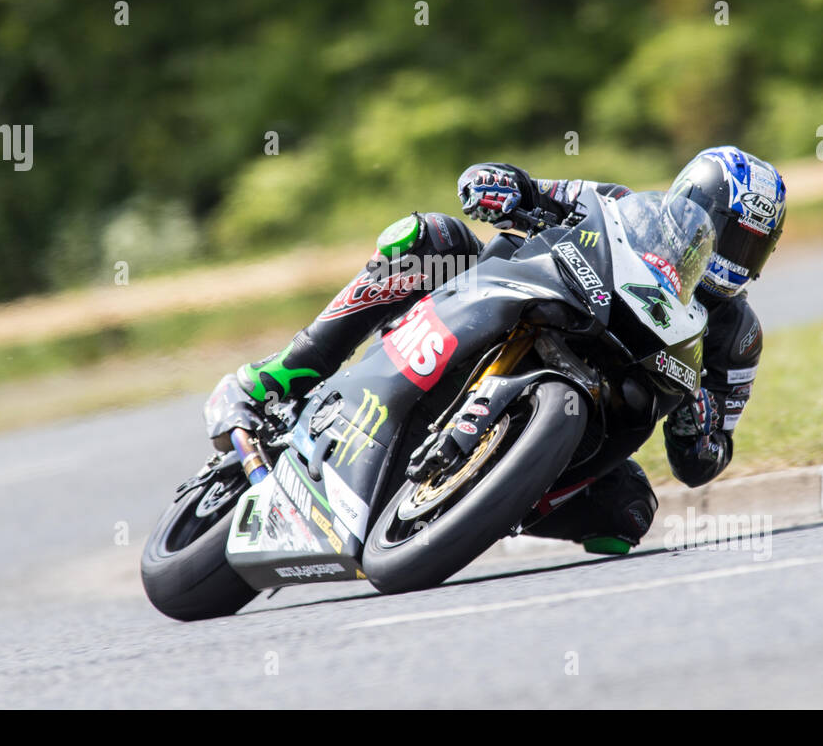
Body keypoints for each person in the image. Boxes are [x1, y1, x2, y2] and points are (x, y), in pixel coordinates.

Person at [204, 146, 786, 554]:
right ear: (691, 206)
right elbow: (539, 191)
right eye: (729, 234)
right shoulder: (616, 205)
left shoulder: (737, 338)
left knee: (628, 513)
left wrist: (699, 424)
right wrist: (503, 184)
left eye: (752, 247)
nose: (736, 256)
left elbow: (704, 461)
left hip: (595, 416)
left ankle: (475, 504)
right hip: (511, 308)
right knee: (431, 241)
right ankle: (278, 376)